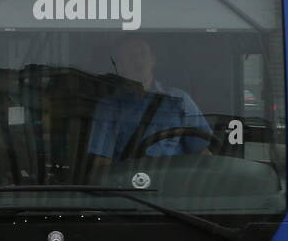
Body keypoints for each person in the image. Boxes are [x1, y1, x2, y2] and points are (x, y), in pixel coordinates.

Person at [88, 37, 212, 166]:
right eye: (130, 56)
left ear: (153, 60)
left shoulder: (179, 100)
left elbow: (202, 153)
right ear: (119, 66)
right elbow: (102, 162)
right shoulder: (109, 107)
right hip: (129, 181)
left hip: (174, 180)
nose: (138, 61)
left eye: (142, 54)